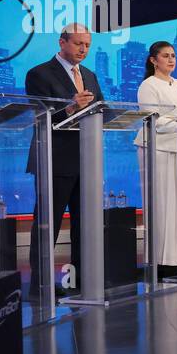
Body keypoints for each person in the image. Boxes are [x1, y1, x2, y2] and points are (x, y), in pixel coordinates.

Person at [24, 23, 104, 295]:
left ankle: (83, 280)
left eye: (87, 45)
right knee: (48, 224)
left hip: (86, 160)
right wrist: (71, 106)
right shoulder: (38, 73)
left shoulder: (90, 75)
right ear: (62, 42)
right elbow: (41, 112)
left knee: (85, 224)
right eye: (79, 43)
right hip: (53, 159)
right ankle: (41, 284)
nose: (84, 49)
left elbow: (99, 109)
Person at [134, 40, 177, 276]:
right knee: (161, 205)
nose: (171, 59)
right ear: (153, 60)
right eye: (166, 56)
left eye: (173, 55)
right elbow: (153, 119)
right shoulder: (148, 85)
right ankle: (159, 260)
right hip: (157, 149)